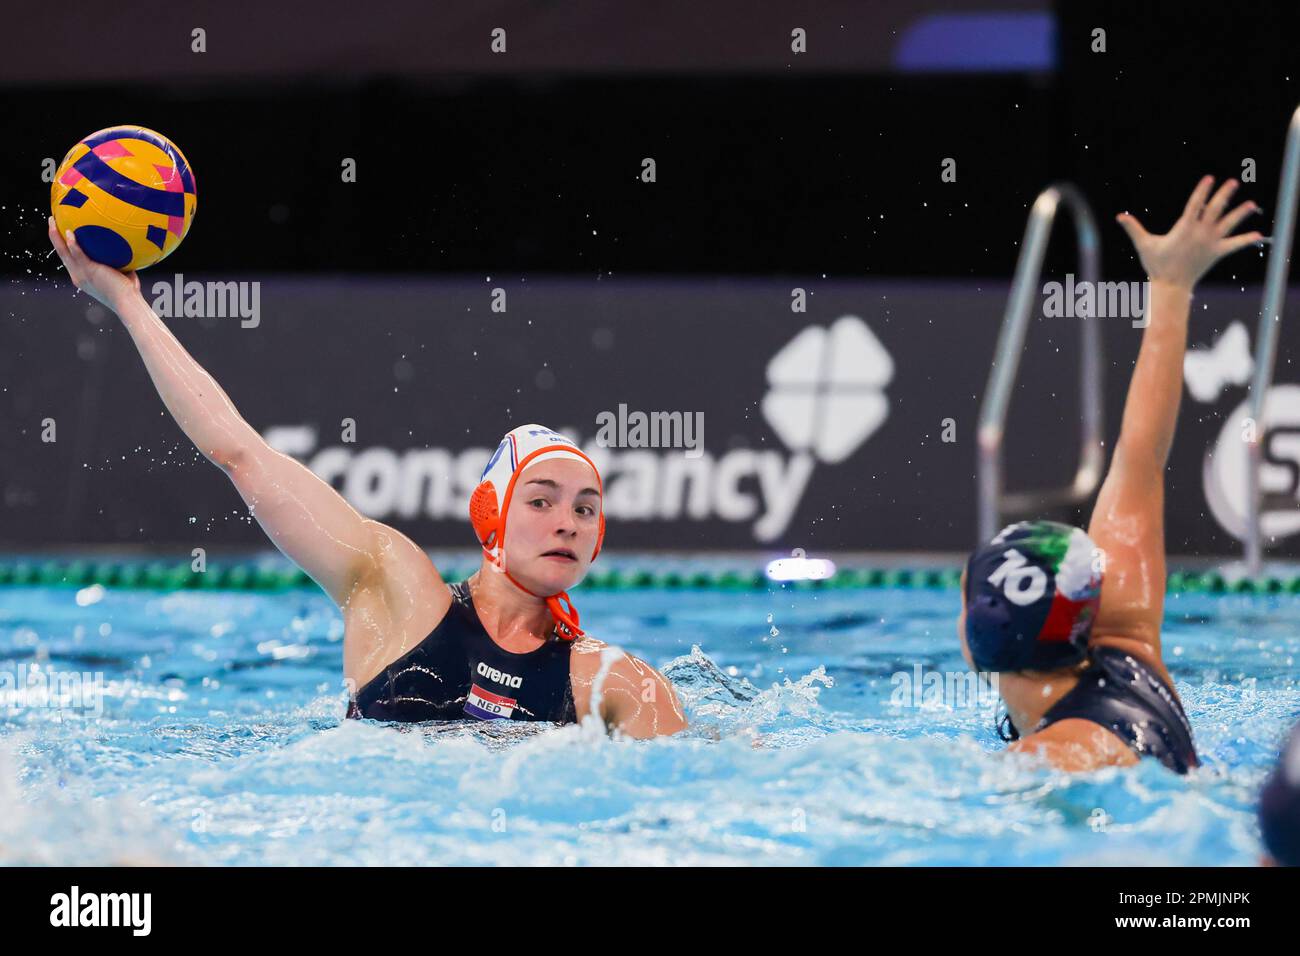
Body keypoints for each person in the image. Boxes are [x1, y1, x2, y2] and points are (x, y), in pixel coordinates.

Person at [46, 220, 687, 739]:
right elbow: (239, 452)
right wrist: (128, 304)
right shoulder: (390, 582)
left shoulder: (614, 682)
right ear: (491, 512)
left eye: (585, 509)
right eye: (541, 499)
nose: (566, 523)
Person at [957, 176, 1264, 773]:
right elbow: (1139, 455)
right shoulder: (1124, 635)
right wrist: (1171, 287)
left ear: (979, 645)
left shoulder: (1048, 760)